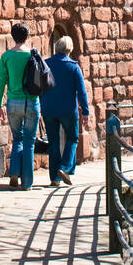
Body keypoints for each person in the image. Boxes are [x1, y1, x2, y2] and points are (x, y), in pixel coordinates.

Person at [40, 35, 91, 186]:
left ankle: (55, 179)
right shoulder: (73, 67)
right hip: (68, 110)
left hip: (49, 109)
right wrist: (86, 112)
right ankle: (64, 167)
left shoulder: (46, 64)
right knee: (73, 138)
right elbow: (81, 92)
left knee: (54, 143)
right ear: (70, 49)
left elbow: (41, 87)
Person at [0, 23, 39, 190]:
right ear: (27, 36)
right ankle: (27, 182)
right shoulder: (33, 54)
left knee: (17, 139)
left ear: (13, 37)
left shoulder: (6, 56)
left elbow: (1, 83)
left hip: (13, 102)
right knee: (29, 141)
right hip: (31, 102)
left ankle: (14, 171)